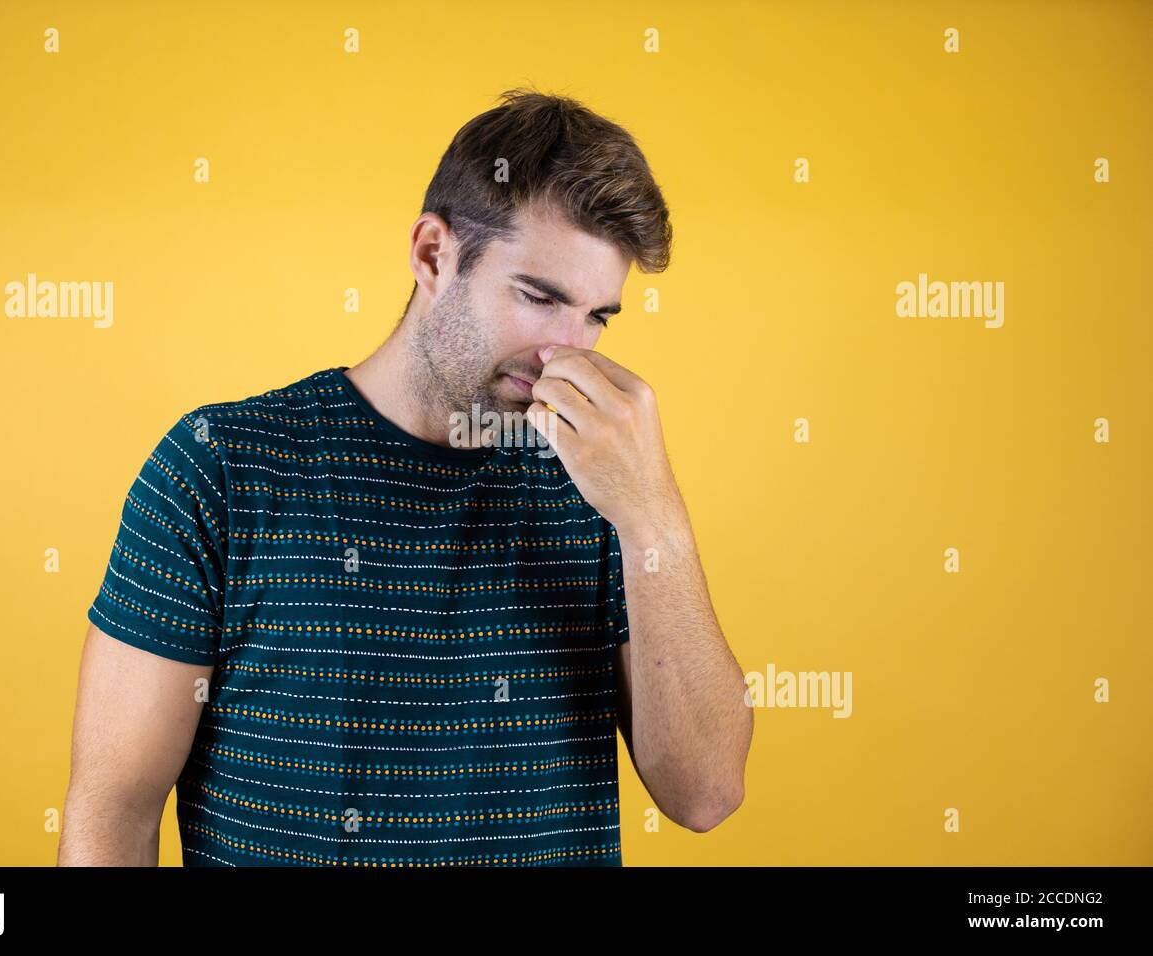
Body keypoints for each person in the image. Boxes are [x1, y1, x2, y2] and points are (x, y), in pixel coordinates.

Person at [58, 88, 752, 867]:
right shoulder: (220, 467)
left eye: (598, 316)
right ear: (432, 254)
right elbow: (114, 813)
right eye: (538, 297)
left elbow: (705, 793)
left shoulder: (601, 481)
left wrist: (653, 516)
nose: (568, 352)